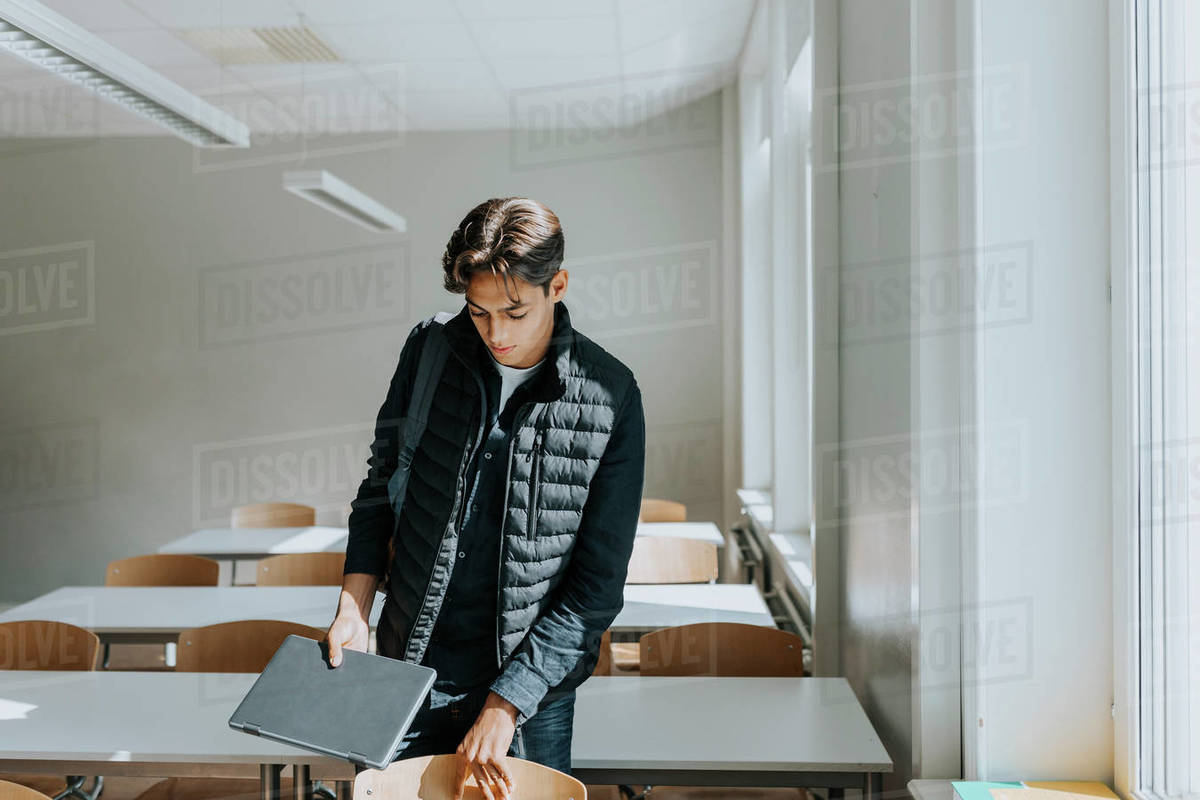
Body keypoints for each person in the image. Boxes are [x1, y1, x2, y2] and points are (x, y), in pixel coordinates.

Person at [324, 197, 646, 800]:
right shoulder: (429, 354)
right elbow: (378, 492)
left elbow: (596, 588)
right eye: (478, 313)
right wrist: (353, 608)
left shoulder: (611, 396)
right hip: (405, 673)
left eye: (515, 311)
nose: (497, 332)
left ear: (558, 286)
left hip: (527, 697)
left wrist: (505, 705)